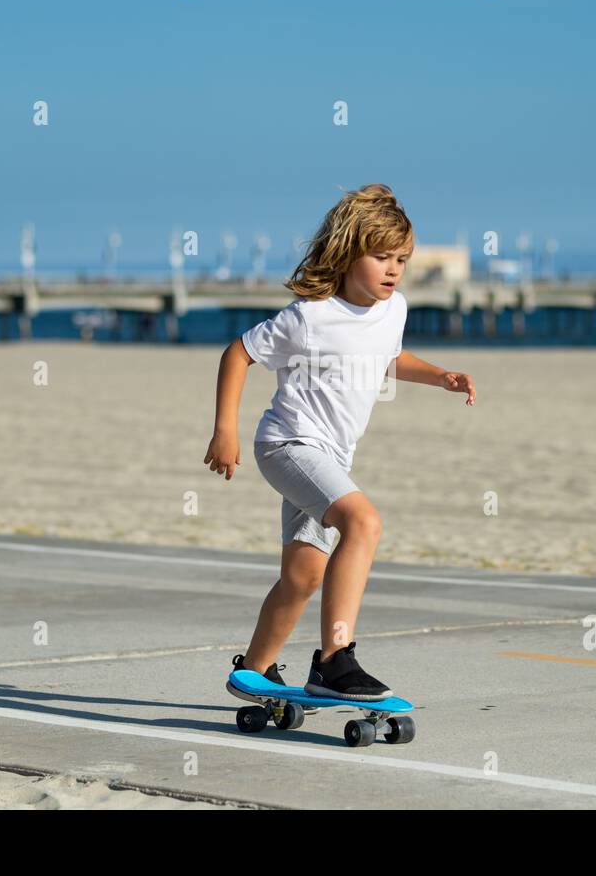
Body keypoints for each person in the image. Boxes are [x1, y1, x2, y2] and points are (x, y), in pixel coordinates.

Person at [203, 183, 476, 702]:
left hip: (332, 456)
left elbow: (387, 358)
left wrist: (441, 375)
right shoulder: (308, 316)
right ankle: (334, 660)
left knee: (303, 576)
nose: (393, 269)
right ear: (348, 253)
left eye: (402, 258)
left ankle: (256, 671)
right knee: (363, 522)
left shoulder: (392, 310)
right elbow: (237, 353)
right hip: (287, 445)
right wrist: (225, 430)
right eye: (381, 257)